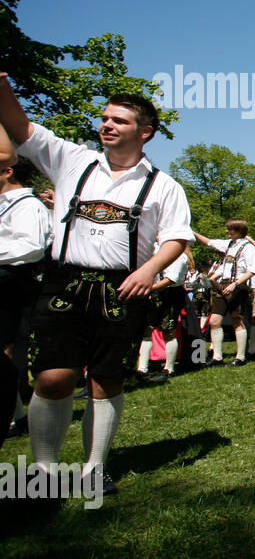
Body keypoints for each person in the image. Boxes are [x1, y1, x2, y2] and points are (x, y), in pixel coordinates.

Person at [0, 75, 193, 494]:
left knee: (106, 379)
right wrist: (2, 85)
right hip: (63, 283)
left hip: (122, 289)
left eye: (118, 121)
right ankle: (45, 471)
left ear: (145, 132)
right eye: (104, 118)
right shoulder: (72, 159)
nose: (106, 125)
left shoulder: (163, 185)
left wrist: (148, 270)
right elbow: (21, 129)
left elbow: (178, 236)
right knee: (52, 377)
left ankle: (94, 469)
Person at [0, 154, 50, 438]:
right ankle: (17, 416)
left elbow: (32, 247)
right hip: (8, 285)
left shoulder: (27, 205)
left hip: (19, 287)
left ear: (8, 171)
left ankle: (17, 416)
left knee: (15, 356)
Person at [194, 220, 255, 366]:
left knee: (237, 320)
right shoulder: (229, 244)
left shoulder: (248, 248)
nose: (227, 232)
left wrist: (235, 284)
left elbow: (252, 271)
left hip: (238, 286)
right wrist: (192, 232)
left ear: (238, 230)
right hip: (222, 285)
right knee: (214, 320)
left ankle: (240, 357)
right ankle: (217, 357)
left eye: (229, 229)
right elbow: (209, 242)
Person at [134, 248, 190, 383]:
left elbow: (171, 279)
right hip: (156, 293)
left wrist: (148, 288)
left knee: (168, 330)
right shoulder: (156, 250)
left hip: (171, 293)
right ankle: (142, 368)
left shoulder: (179, 255)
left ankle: (169, 368)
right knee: (147, 329)